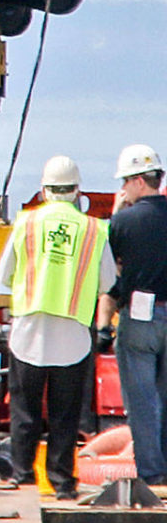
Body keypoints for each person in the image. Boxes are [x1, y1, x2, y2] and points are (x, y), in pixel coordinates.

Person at [0, 155, 115, 499]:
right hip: (73, 335)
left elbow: (4, 275)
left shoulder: (26, 224)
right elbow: (107, 282)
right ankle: (63, 483)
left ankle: (21, 474)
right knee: (65, 415)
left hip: (29, 332)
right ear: (77, 191)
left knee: (24, 409)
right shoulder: (94, 229)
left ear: (44, 190)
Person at [102, 145, 167, 487]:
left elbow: (110, 275)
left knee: (143, 401)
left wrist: (117, 214)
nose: (123, 189)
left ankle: (153, 475)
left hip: (140, 318)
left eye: (126, 182)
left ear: (140, 181)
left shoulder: (123, 221)